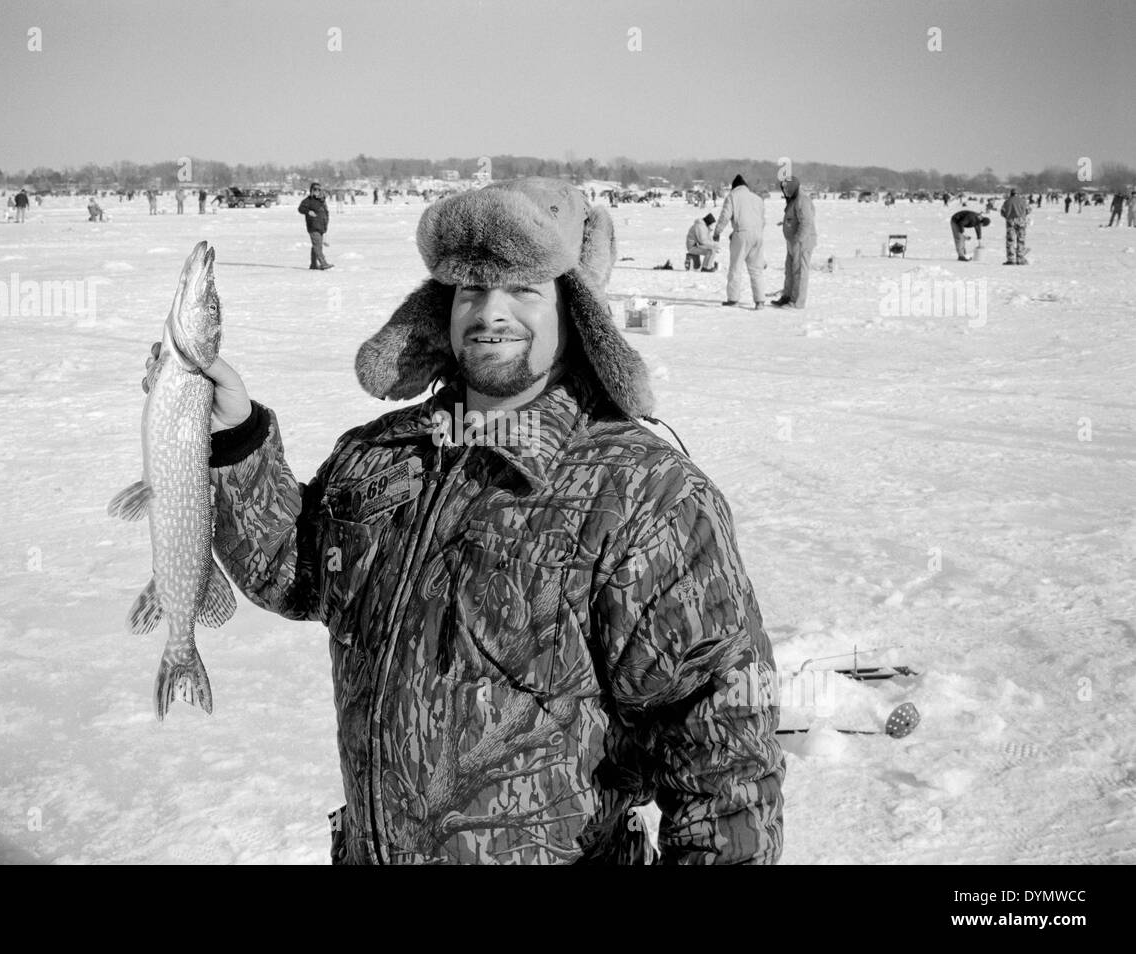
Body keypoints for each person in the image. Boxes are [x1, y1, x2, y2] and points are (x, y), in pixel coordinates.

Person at [141, 177, 784, 864]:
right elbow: (294, 573)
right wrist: (237, 439)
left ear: (574, 310)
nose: (490, 312)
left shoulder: (644, 494)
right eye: (472, 290)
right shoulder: (380, 454)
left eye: (523, 289)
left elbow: (726, 761)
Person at [714, 174, 766, 309]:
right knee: (756, 270)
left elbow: (725, 216)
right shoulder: (757, 199)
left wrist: (717, 231)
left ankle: (733, 299)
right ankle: (760, 301)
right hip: (758, 235)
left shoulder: (732, 197)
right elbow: (762, 220)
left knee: (736, 268)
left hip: (741, 234)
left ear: (734, 187)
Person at [773, 176, 816, 307]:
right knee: (790, 271)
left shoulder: (802, 200)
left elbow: (807, 222)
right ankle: (787, 296)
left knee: (799, 272)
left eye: (786, 187)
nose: (784, 190)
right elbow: (794, 218)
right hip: (792, 242)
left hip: (801, 242)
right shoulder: (793, 200)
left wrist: (798, 239)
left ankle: (797, 301)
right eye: (783, 188)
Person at [298, 181, 332, 270]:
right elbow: (301, 209)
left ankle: (313, 264)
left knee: (316, 246)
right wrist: (308, 211)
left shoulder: (321, 201)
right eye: (315, 189)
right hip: (313, 226)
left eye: (319, 189)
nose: (317, 191)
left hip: (321, 226)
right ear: (311, 190)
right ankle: (323, 263)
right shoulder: (308, 200)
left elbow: (326, 213)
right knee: (317, 245)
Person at [1000, 188, 1030, 265]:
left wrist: (1008, 217)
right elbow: (1028, 210)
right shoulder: (1023, 201)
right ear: (1018, 194)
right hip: (1021, 221)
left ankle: (1011, 260)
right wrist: (1023, 215)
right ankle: (1020, 259)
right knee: (1021, 240)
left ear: (1011, 193)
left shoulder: (1007, 202)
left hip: (1010, 221)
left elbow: (1002, 212)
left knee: (1010, 241)